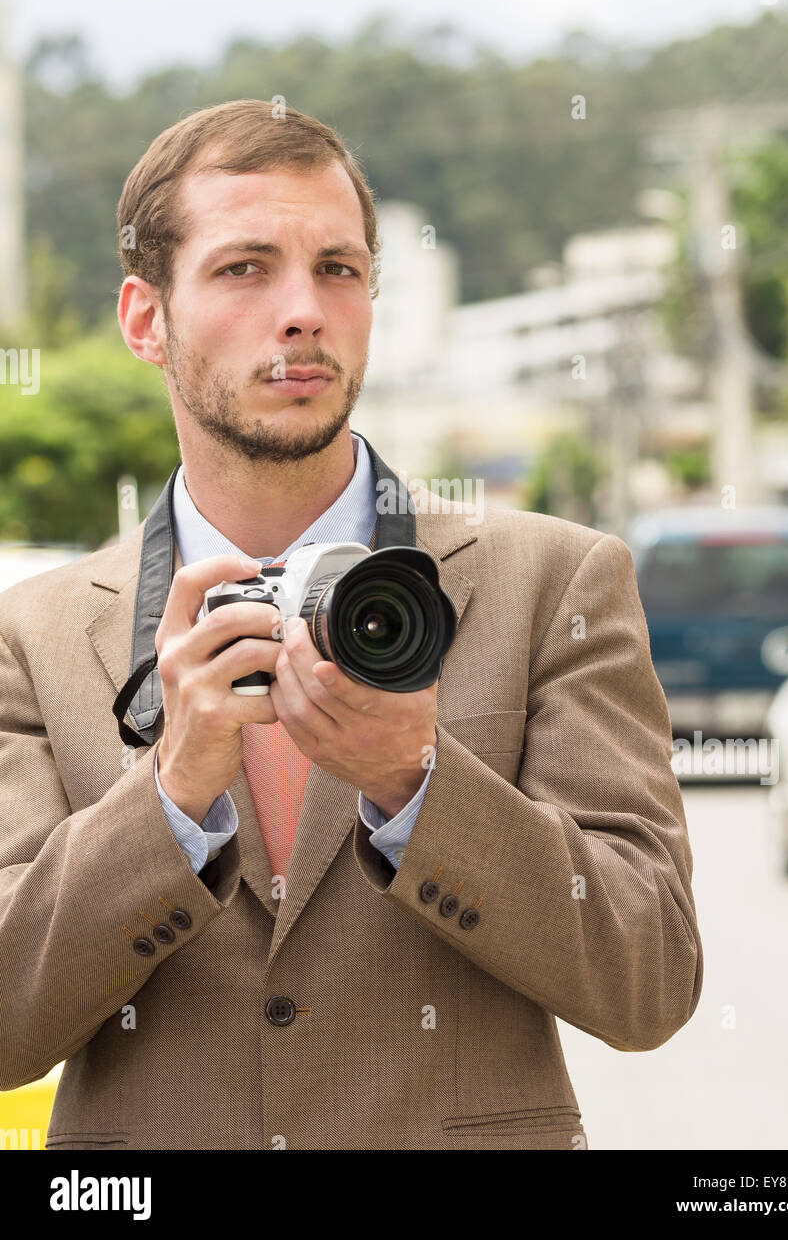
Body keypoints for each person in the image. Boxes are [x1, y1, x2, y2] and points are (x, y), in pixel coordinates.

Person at [0, 98, 703, 1151]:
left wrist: (418, 783)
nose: (305, 310)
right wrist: (170, 799)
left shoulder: (556, 582)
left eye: (338, 268)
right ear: (145, 320)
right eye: (244, 268)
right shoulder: (32, 636)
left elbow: (648, 977)